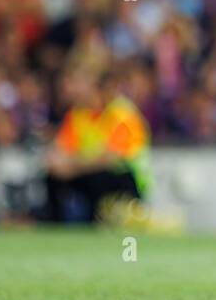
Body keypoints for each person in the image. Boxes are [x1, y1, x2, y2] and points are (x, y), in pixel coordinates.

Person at [44, 69, 152, 223]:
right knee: (53, 177)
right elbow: (60, 149)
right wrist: (57, 163)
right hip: (87, 170)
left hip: (126, 178)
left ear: (98, 88)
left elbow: (109, 157)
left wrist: (71, 166)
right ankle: (55, 225)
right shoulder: (78, 114)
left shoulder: (121, 113)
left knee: (97, 178)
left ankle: (96, 220)